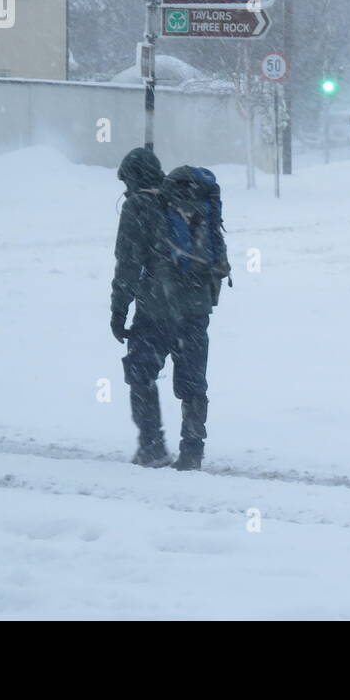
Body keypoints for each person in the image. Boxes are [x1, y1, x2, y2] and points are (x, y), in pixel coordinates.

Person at [111, 150, 230, 471]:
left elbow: (127, 266)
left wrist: (118, 312)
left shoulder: (139, 206)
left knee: (141, 372)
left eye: (125, 182)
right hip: (197, 307)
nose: (125, 190)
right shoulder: (188, 202)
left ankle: (152, 447)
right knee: (193, 382)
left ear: (133, 178)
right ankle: (192, 453)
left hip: (156, 310)